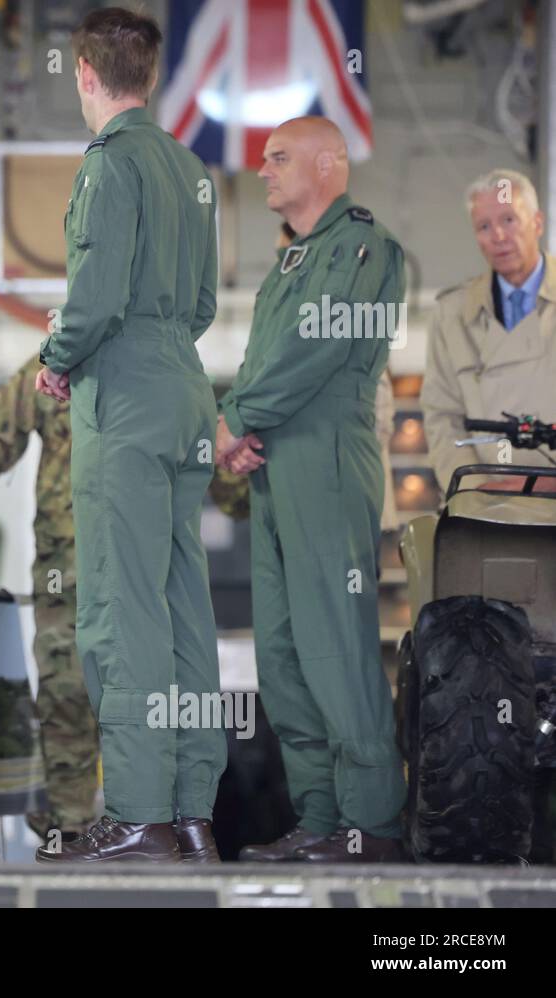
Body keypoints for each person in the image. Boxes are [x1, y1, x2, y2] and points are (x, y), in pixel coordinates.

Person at [34, 7, 224, 863]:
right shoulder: (190, 168)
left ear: (85, 73)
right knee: (185, 605)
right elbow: (207, 306)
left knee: (119, 607)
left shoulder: (108, 167)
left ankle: (139, 814)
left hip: (126, 398)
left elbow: (97, 296)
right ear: (149, 74)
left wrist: (57, 352)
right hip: (186, 389)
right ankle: (190, 811)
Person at [217, 116, 407, 862]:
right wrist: (246, 436)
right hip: (276, 469)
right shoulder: (290, 265)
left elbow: (318, 349)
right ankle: (323, 822)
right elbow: (273, 362)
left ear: (330, 164)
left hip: (326, 465)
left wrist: (237, 416)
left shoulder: (364, 247)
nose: (263, 170)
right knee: (286, 656)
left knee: (335, 649)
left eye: (280, 158)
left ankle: (370, 826)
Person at [0, 354, 99, 839]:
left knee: (143, 691)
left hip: (141, 552)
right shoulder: (58, 357)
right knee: (65, 683)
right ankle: (70, 822)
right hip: (66, 557)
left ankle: (146, 819)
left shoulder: (159, 349)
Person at [420, 168, 556, 494]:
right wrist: (476, 489)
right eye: (484, 226)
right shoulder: (452, 313)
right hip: (485, 506)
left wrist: (544, 485)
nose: (498, 236)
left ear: (537, 222)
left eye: (509, 219)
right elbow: (442, 418)